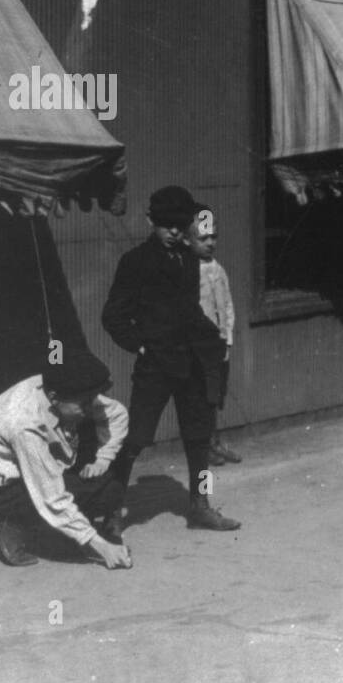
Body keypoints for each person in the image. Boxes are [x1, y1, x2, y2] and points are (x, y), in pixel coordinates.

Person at [102, 185, 241, 531]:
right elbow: (113, 316)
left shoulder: (189, 259)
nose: (175, 232)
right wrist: (140, 345)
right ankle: (112, 512)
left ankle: (201, 506)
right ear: (150, 220)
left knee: (199, 439)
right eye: (167, 225)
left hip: (193, 362)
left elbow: (190, 309)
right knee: (134, 438)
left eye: (180, 225)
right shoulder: (135, 262)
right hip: (156, 365)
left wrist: (211, 337)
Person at [0, 350, 133, 568]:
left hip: (35, 465)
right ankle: (5, 518)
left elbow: (117, 414)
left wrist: (102, 460)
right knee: (76, 497)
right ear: (54, 398)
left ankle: (72, 529)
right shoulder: (22, 423)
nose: (90, 409)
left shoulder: (65, 391)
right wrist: (100, 546)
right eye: (84, 404)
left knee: (111, 487)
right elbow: (51, 497)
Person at [186, 204, 242, 467]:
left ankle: (215, 442)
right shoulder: (187, 271)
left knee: (217, 396)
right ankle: (203, 446)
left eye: (213, 237)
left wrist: (227, 338)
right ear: (187, 239)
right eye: (202, 238)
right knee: (201, 398)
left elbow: (227, 306)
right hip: (200, 346)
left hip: (220, 344)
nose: (210, 243)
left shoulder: (217, 269)